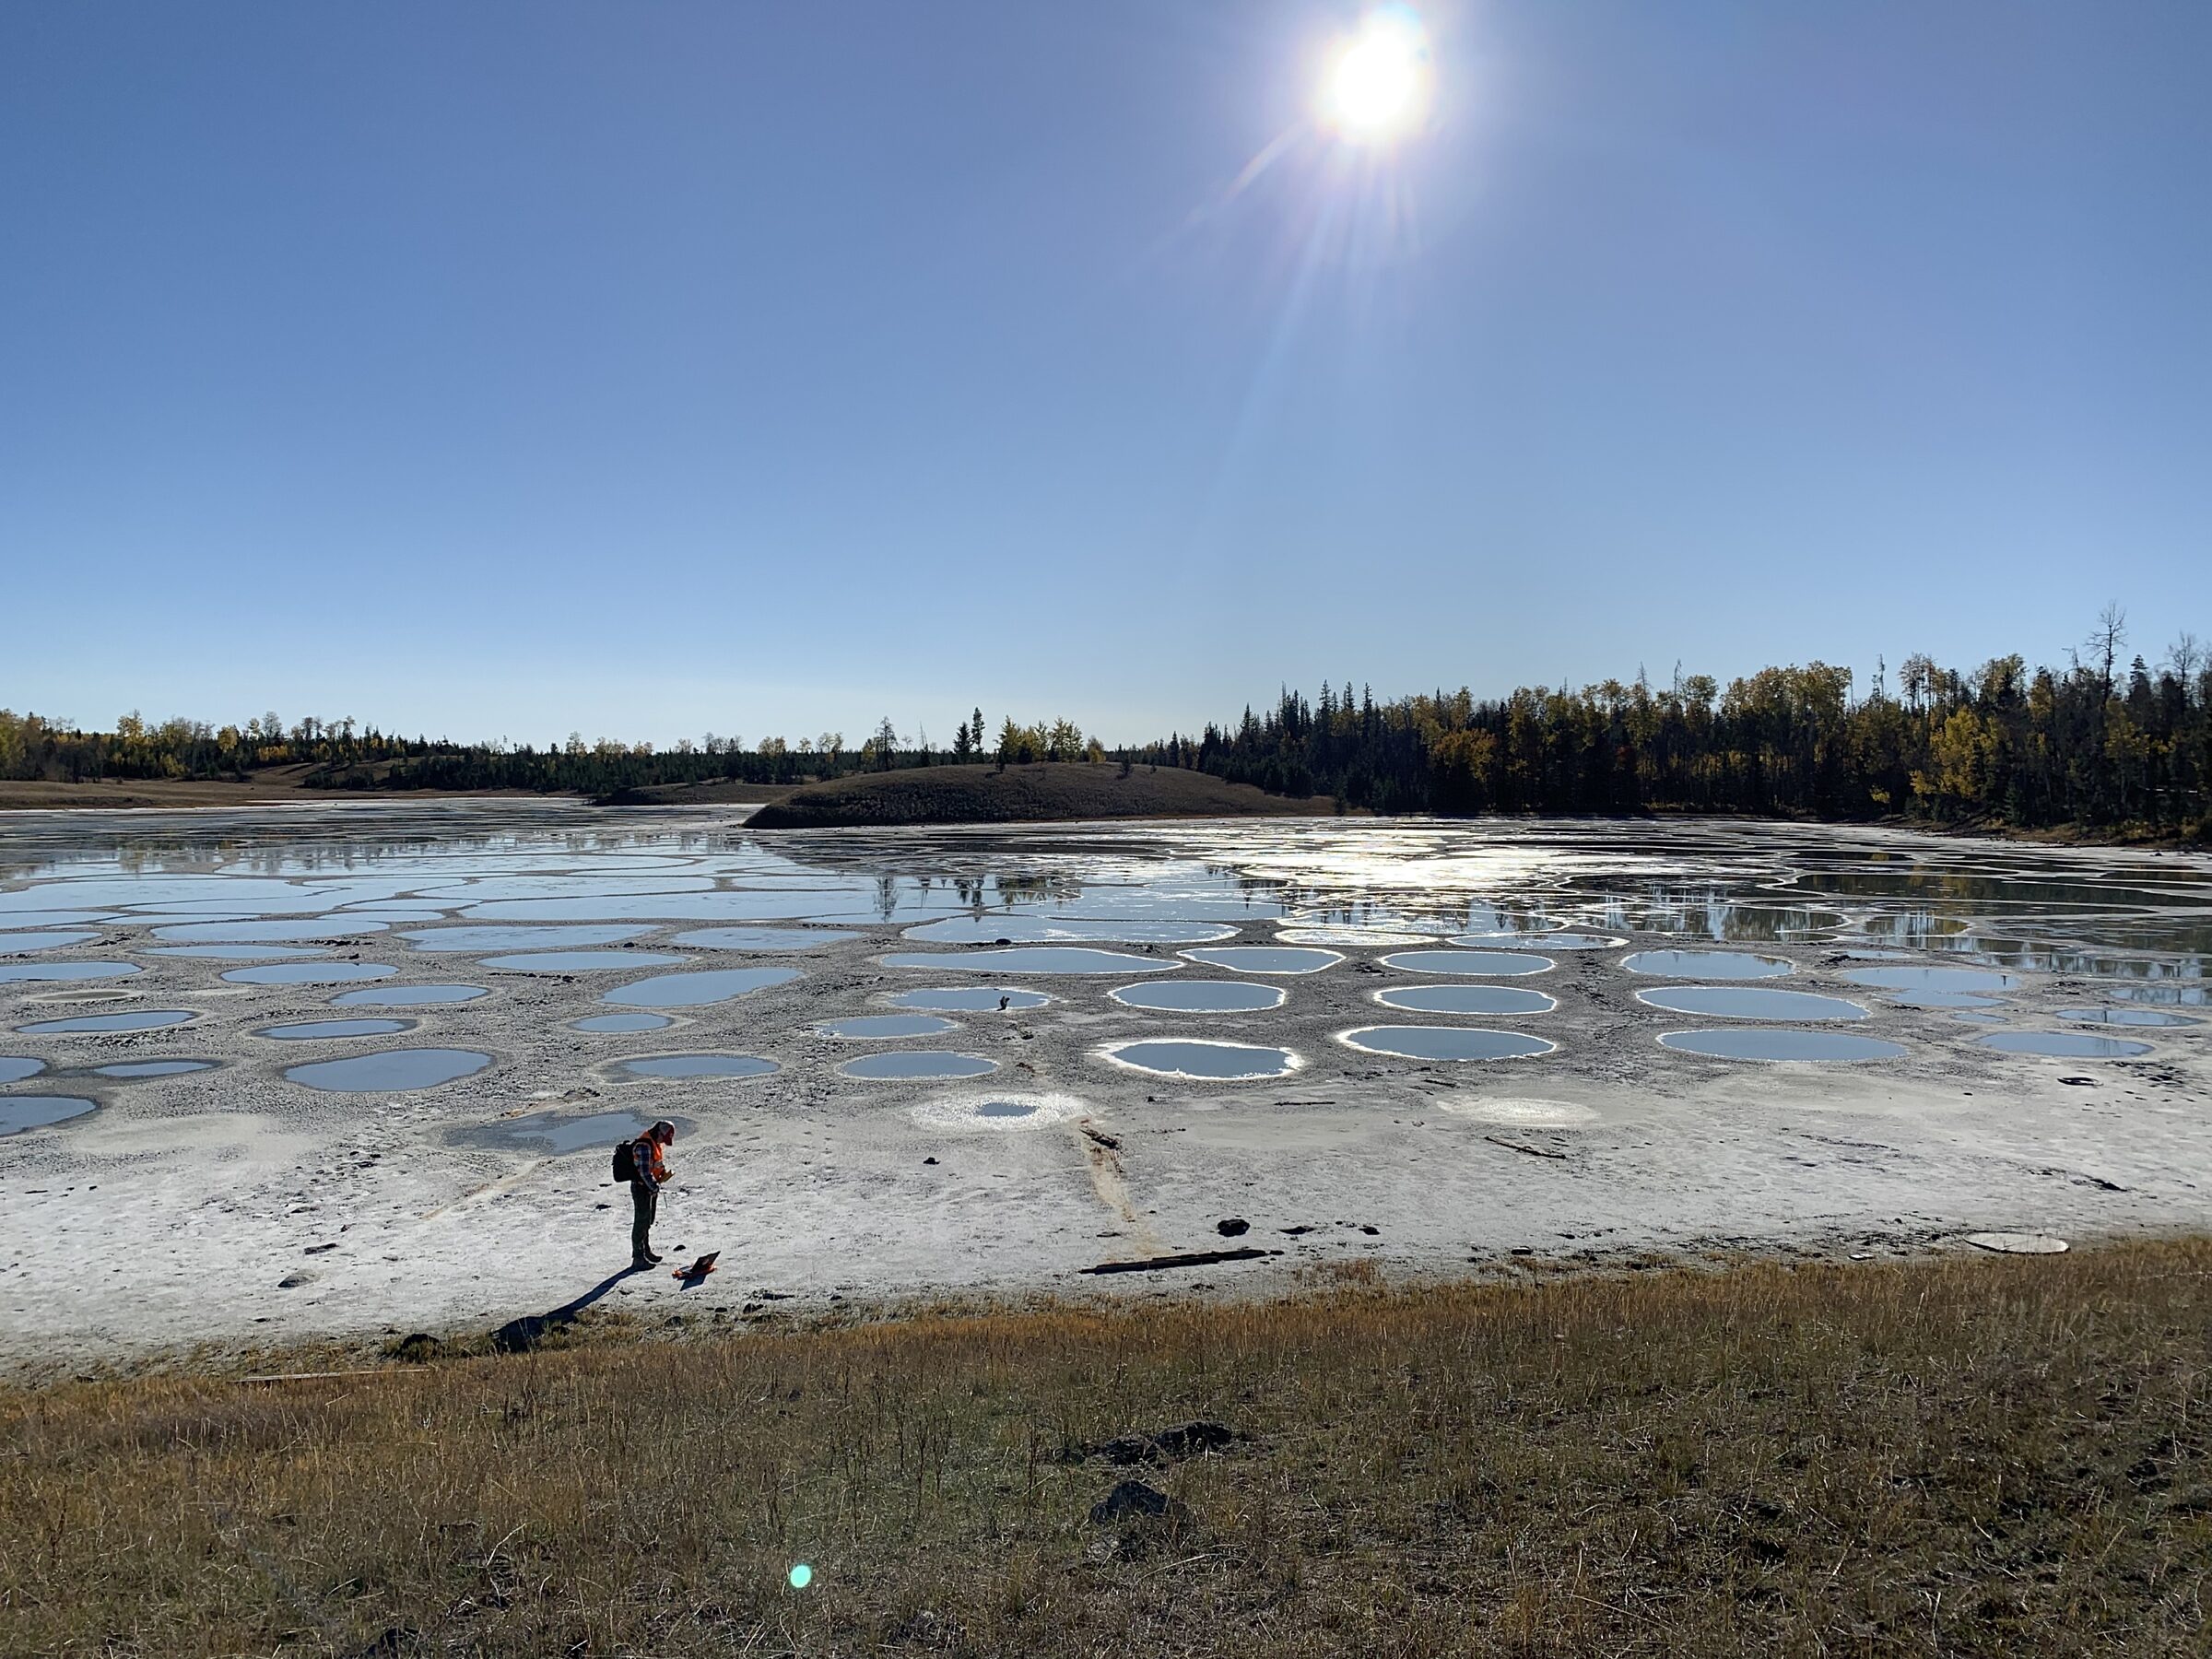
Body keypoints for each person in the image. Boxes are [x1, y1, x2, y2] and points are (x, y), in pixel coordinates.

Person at [627, 1120, 676, 1268]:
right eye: (664, 1138)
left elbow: (655, 1165)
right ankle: (638, 1257)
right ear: (658, 1132)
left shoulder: (655, 1144)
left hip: (650, 1187)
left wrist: (661, 1176)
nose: (664, 1141)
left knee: (648, 1220)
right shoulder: (644, 1145)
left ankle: (646, 1251)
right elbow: (644, 1172)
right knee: (641, 1221)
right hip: (642, 1188)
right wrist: (653, 1187)